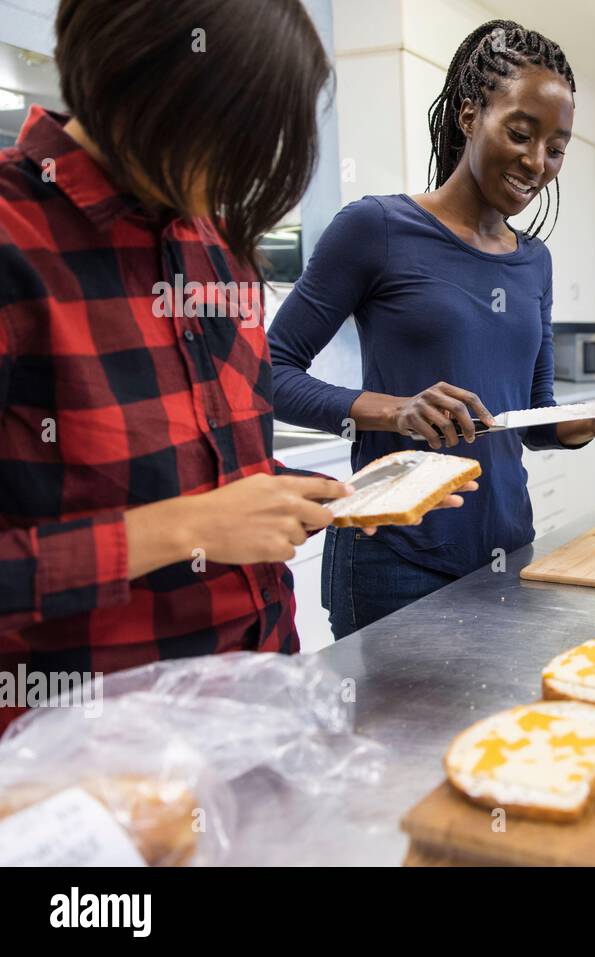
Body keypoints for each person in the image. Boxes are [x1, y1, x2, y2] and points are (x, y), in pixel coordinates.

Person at [0, 0, 475, 732]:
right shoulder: (15, 240)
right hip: (86, 754)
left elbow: (222, 482)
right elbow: (197, 516)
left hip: (259, 705)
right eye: (231, 139)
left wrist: (331, 498)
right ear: (145, 82)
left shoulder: (212, 247)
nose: (238, 180)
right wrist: (177, 529)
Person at [269, 21, 595, 640]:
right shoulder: (376, 228)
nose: (537, 163)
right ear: (468, 114)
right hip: (394, 557)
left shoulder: (534, 261)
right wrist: (394, 412)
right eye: (520, 133)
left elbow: (532, 416)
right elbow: (267, 372)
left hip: (509, 548)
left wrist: (579, 427)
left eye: (556, 148)